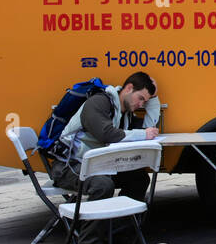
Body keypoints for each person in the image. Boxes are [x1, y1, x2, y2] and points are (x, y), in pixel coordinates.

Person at [48, 72, 161, 202]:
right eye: (140, 98)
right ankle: (88, 222)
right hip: (69, 166)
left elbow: (144, 131)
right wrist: (143, 134)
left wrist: (153, 100)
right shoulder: (99, 101)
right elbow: (106, 134)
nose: (141, 105)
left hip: (97, 165)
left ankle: (121, 221)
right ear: (129, 88)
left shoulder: (125, 114)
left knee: (139, 179)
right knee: (103, 185)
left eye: (145, 101)